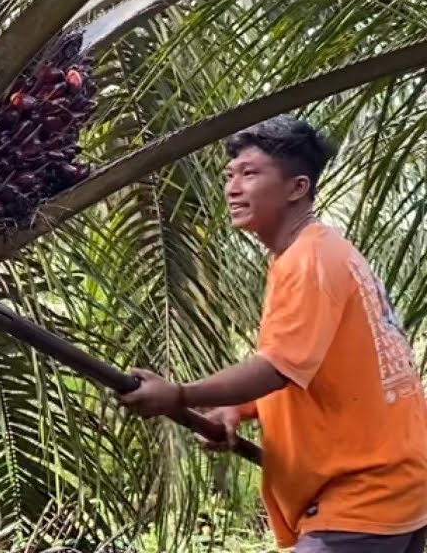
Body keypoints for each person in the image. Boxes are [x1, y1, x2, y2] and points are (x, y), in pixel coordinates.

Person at [117, 114, 427, 552]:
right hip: (397, 484)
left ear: (297, 188)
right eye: (229, 175)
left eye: (250, 174)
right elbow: (314, 365)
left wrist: (181, 395)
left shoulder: (309, 262)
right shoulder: (318, 253)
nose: (233, 188)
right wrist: (238, 410)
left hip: (364, 495)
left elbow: (278, 368)